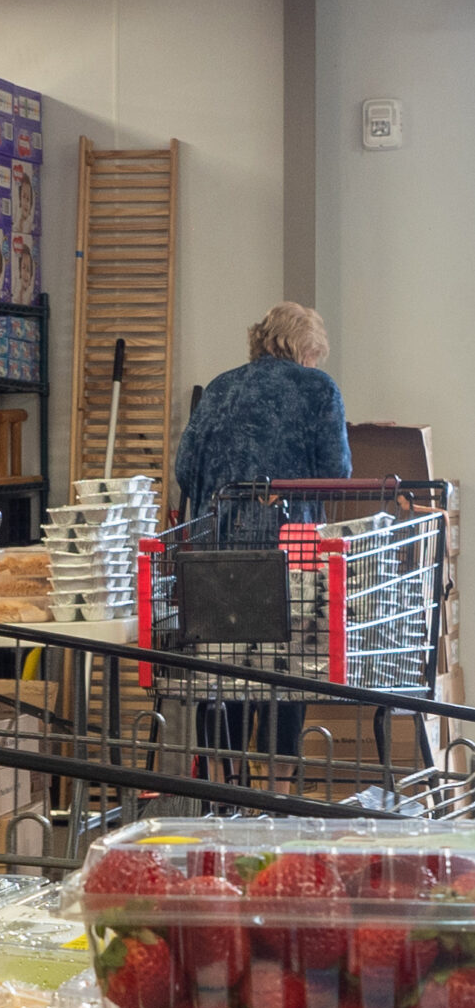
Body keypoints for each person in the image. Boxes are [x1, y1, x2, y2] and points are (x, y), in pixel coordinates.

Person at [174, 301, 349, 778]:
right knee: (285, 676)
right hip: (289, 551)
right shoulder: (318, 388)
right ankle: (276, 784)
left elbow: (185, 470)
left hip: (216, 553)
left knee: (225, 674)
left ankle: (228, 785)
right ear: (306, 348)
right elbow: (337, 473)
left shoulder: (220, 387)